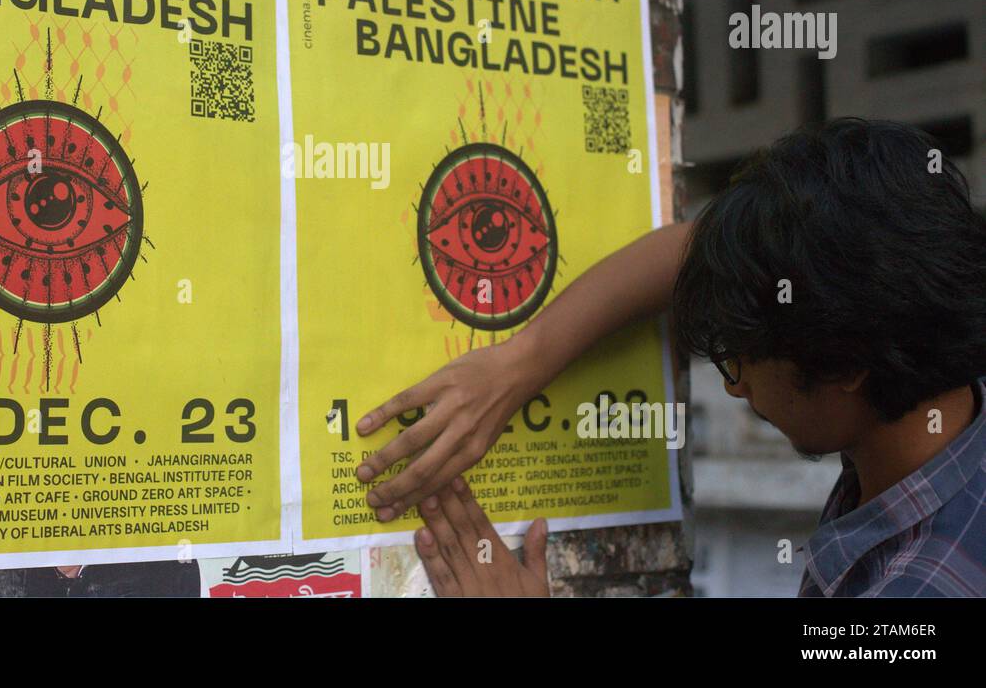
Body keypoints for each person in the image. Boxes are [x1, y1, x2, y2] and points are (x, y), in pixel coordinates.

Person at [355, 118, 986, 596]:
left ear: (846, 367)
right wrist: (520, 363)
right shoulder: (932, 369)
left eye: (740, 363)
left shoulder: (919, 589)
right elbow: (691, 253)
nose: (735, 390)